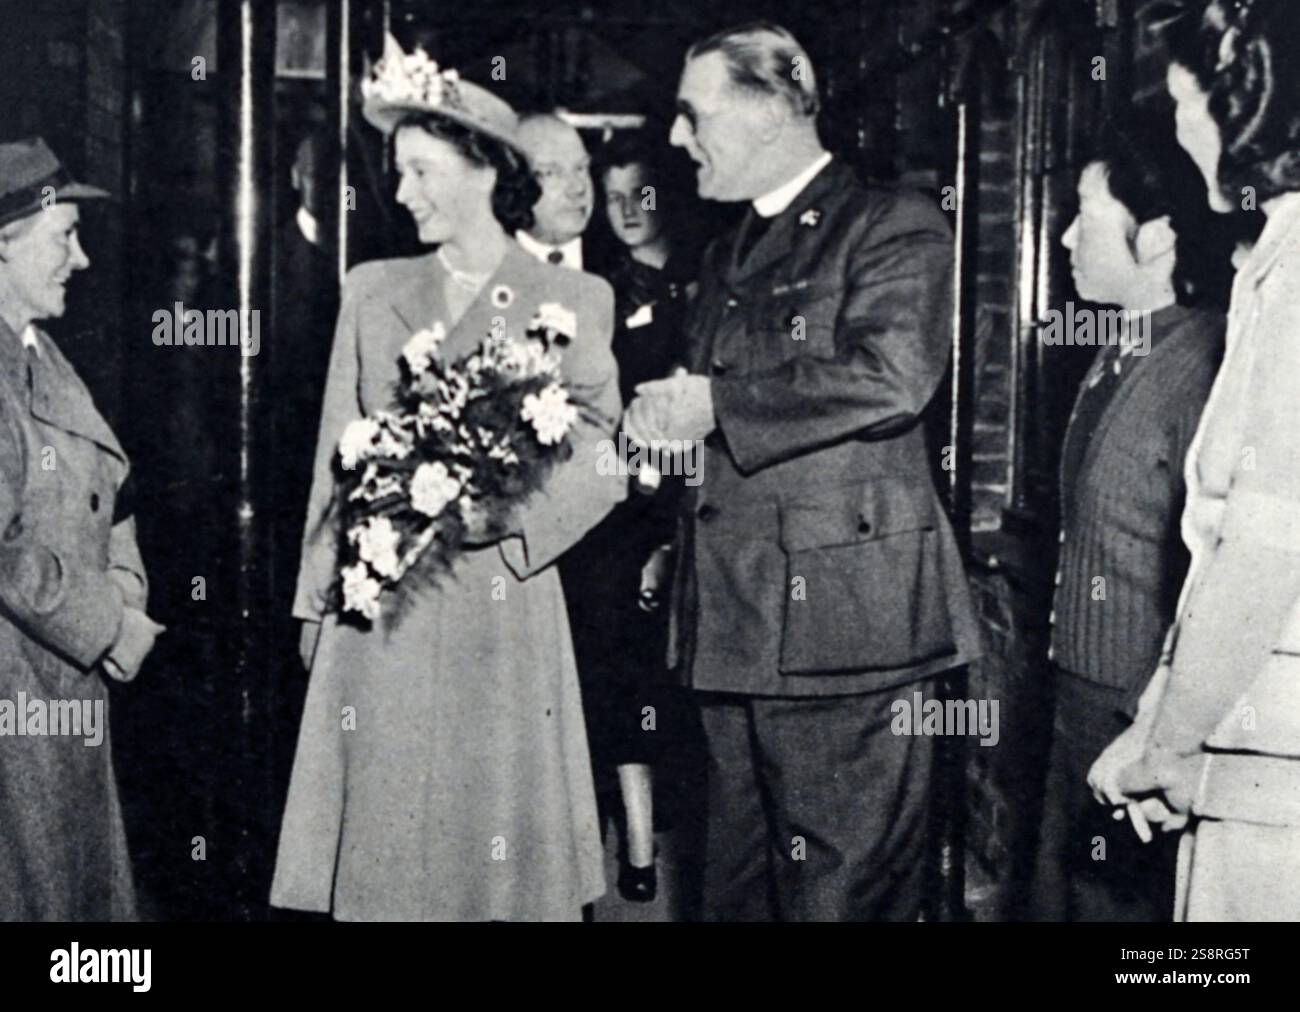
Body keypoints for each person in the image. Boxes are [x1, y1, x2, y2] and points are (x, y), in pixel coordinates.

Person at [625, 21, 981, 921]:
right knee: (733, 899)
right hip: (731, 628)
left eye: (691, 114)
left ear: (769, 110)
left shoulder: (890, 224)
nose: (677, 139)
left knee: (839, 901)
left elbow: (891, 377)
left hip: (844, 642)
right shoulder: (724, 253)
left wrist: (712, 405)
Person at [270, 40, 625, 921]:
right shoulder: (371, 289)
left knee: (494, 859)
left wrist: (498, 511)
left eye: (423, 171)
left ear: (483, 170)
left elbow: (606, 454)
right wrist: (318, 607)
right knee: (390, 853)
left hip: (505, 606)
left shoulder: (573, 303)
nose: (403, 194)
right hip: (383, 612)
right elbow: (335, 454)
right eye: (399, 174)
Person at [1090, 0, 1300, 920]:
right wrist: (1163, 718)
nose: (1180, 133)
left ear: (1248, 103)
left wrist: (1169, 749)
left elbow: (1264, 550)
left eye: (1186, 105)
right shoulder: (1273, 257)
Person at [1028, 111, 1228, 921]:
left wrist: (1161, 726)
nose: (1068, 236)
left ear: (1156, 239)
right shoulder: (1117, 353)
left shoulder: (1204, 363)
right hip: (1083, 700)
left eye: (1086, 214)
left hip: (1137, 718)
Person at [0, 137, 164, 919]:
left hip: (57, 689)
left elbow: (112, 487)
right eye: (64, 237)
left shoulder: (42, 350)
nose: (83, 259)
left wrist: (127, 589)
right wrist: (105, 625)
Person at [559, 130, 698, 903]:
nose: (625, 212)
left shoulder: (707, 284)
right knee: (612, 679)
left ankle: (662, 839)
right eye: (609, 200)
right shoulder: (597, 293)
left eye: (639, 195)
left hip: (684, 515)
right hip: (608, 519)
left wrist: (671, 534)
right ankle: (632, 851)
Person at [513, 113, 597, 270]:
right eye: (551, 173)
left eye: (580, 168)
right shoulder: (484, 275)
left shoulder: (632, 280)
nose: (577, 188)